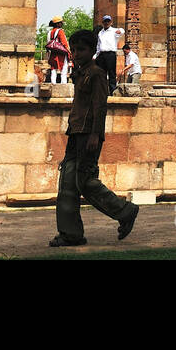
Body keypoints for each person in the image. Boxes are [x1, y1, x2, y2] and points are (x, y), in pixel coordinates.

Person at [50, 29, 139, 247]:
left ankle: (125, 211)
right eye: (75, 49)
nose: (77, 53)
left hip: (88, 135)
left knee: (86, 181)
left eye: (82, 49)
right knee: (68, 183)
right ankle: (71, 234)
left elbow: (100, 106)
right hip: (76, 133)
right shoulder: (80, 73)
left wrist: (95, 134)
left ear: (92, 51)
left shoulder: (97, 73)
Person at [96, 16, 122, 93]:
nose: (106, 23)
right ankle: (102, 91)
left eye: (108, 21)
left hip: (110, 54)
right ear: (102, 23)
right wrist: (96, 55)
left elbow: (122, 30)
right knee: (102, 74)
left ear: (111, 22)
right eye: (105, 21)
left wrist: (120, 31)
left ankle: (112, 90)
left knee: (111, 73)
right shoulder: (100, 32)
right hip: (102, 54)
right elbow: (98, 45)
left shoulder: (114, 31)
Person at [46, 17, 71, 83]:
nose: (62, 24)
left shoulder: (50, 32)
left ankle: (53, 83)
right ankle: (63, 84)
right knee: (64, 69)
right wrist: (69, 51)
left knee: (53, 69)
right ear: (57, 24)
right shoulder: (60, 31)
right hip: (61, 53)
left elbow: (48, 43)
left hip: (53, 53)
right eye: (61, 23)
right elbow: (64, 43)